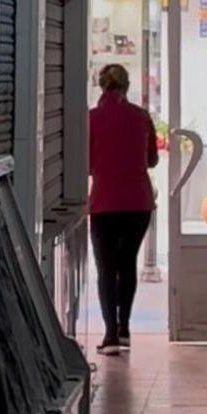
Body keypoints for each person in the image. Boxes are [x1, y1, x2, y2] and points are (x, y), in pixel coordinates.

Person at [88, 63, 158, 355]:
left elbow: (85, 161)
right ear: (127, 86)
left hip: (104, 202)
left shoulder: (91, 119)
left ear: (101, 86)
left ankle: (110, 336)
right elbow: (152, 160)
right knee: (127, 264)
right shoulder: (141, 117)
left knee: (106, 269)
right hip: (138, 203)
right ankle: (125, 328)